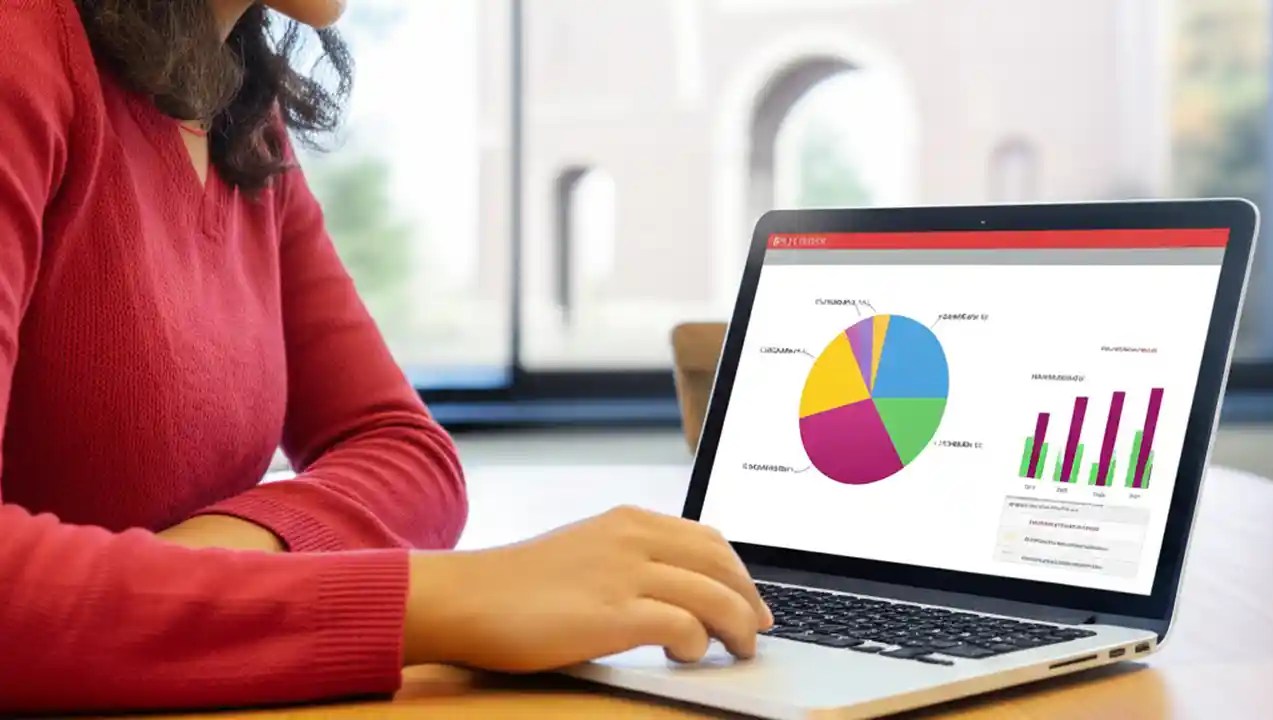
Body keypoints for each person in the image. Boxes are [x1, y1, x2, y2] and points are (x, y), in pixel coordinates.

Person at [0, 0, 772, 714]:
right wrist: (445, 601)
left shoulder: (245, 120)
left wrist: (235, 557)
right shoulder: (21, 41)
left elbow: (407, 453)